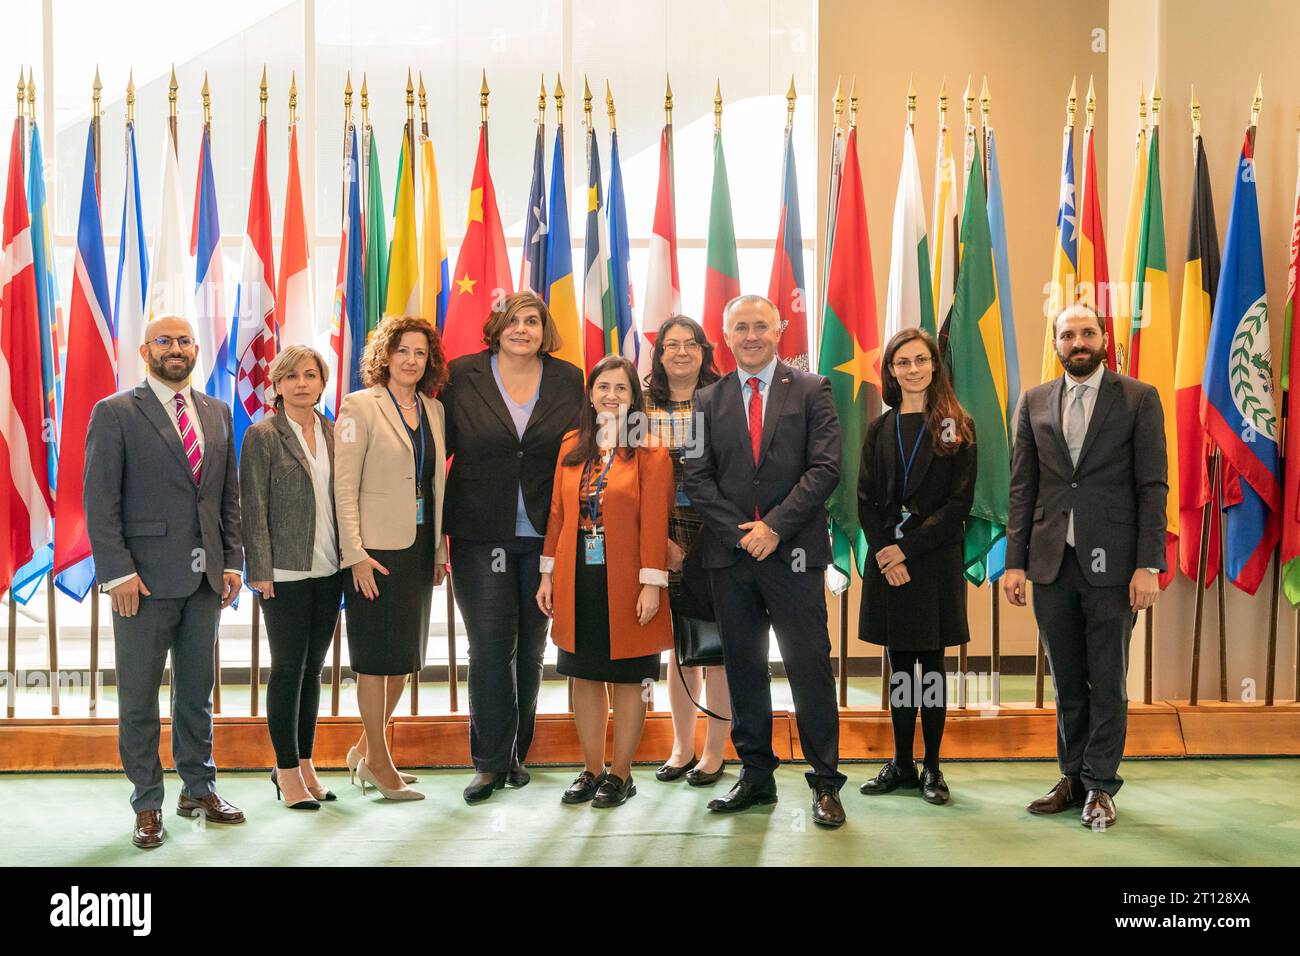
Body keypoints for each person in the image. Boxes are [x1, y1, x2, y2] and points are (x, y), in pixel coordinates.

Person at [683, 294, 846, 827]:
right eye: (740, 328)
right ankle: (756, 775)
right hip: (731, 560)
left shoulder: (812, 388)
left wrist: (775, 527)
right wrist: (742, 534)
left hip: (794, 553)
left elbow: (825, 469)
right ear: (725, 336)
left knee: (809, 668)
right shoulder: (706, 400)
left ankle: (825, 782)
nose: (751, 336)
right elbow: (697, 477)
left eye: (761, 326)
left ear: (780, 330)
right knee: (744, 669)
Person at [1003, 303, 1168, 829]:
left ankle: (1101, 785)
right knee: (1068, 679)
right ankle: (1071, 777)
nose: (1079, 342)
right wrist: (1014, 563)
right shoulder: (1033, 402)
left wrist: (1149, 564)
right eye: (1068, 334)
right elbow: (1022, 488)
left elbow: (1152, 485)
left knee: (1108, 678)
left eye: (1088, 333)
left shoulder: (1139, 398)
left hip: (1116, 566)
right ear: (1055, 344)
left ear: (1103, 339)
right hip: (1051, 563)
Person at [84, 315, 245, 849]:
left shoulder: (217, 412)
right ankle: (147, 802)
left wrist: (232, 562)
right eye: (164, 341)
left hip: (205, 582)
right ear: (144, 350)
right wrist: (117, 573)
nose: (175, 349)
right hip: (142, 582)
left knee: (196, 695)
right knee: (138, 698)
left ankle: (198, 788)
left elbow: (226, 498)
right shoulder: (115, 413)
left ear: (196, 349)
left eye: (183, 341)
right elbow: (99, 502)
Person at [440, 291, 584, 804]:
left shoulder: (569, 378)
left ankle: (517, 752)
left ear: (545, 330)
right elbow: (440, 454)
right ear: (495, 326)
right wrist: (434, 537)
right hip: (481, 534)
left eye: (533, 321)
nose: (522, 329)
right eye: (513, 320)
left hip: (548, 536)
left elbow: (582, 451)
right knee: (489, 645)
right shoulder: (461, 375)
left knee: (531, 647)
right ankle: (488, 761)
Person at [536, 355, 674, 809]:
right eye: (602, 387)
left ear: (634, 397)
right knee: (585, 676)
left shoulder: (651, 449)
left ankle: (621, 774)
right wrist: (548, 574)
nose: (611, 396)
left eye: (621, 388)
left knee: (629, 678)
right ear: (590, 394)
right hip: (578, 576)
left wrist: (652, 583)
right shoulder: (572, 444)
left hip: (629, 579)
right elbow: (558, 514)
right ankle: (592, 769)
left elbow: (655, 522)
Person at [856, 328, 975, 806]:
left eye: (920, 360)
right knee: (899, 666)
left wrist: (908, 550)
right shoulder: (880, 428)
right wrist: (886, 552)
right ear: (890, 371)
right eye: (901, 362)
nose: (912, 369)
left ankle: (932, 767)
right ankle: (901, 763)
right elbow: (865, 499)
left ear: (934, 366)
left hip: (931, 563)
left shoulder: (953, 425)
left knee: (931, 669)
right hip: (889, 564)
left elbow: (958, 503)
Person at [335, 315, 449, 801]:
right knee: (375, 661)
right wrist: (354, 554)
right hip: (374, 552)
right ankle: (380, 764)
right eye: (402, 350)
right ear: (385, 354)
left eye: (420, 353)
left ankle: (364, 749)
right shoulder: (358, 406)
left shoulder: (434, 410)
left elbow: (435, 485)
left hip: (420, 546)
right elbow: (343, 486)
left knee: (404, 659)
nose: (411, 360)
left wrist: (440, 548)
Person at [240, 345, 345, 811]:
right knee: (287, 669)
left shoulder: (335, 431)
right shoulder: (263, 436)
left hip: (330, 567)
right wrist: (259, 569)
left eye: (311, 375)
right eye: (291, 376)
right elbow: (253, 508)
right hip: (283, 571)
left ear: (323, 382)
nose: (302, 383)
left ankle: (305, 762)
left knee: (313, 670)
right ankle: (285, 771)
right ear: (277, 385)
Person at [643, 316, 731, 788]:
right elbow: (628, 478)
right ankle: (682, 745)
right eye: (670, 344)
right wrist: (658, 542)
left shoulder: (724, 397)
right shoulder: (640, 406)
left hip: (716, 530)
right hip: (660, 530)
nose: (680, 352)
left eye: (690, 344)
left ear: (703, 350)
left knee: (716, 646)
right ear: (659, 355)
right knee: (680, 647)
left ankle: (715, 752)